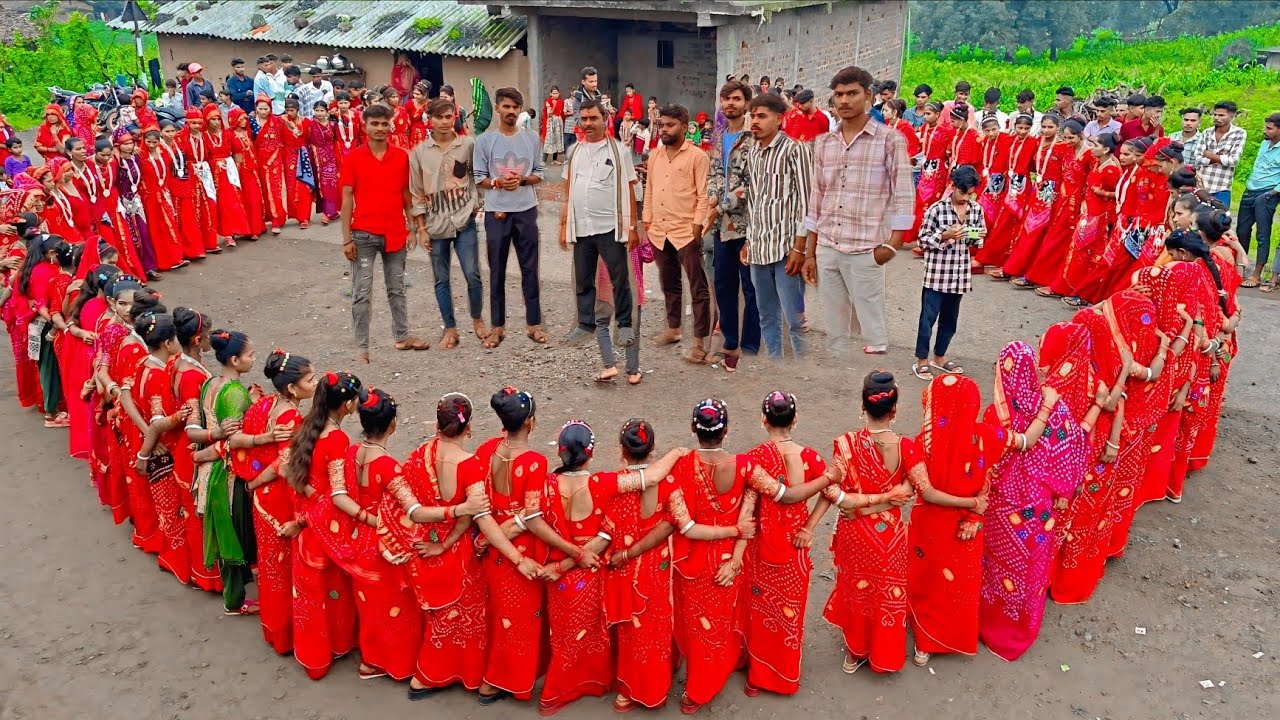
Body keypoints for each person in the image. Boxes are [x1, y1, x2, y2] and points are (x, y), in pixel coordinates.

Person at [525, 421, 686, 716]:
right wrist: (675, 453)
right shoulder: (601, 483)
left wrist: (561, 562)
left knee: (563, 638)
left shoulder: (546, 485)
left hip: (558, 577)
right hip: (589, 571)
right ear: (592, 452)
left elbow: (532, 520)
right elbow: (647, 481)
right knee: (600, 632)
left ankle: (556, 692)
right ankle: (604, 683)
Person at [979, 338, 1089, 662]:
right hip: (1041, 512)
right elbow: (1077, 449)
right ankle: (1021, 631)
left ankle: (990, 626)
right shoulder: (1058, 410)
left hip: (1002, 513)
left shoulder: (996, 416)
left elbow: (986, 461)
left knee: (997, 570)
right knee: (1031, 571)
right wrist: (1064, 493)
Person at [803, 66, 914, 357]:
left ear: (867, 96)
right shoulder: (825, 143)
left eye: (852, 93)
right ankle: (839, 372)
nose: (844, 101)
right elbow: (817, 197)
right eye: (839, 94)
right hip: (828, 243)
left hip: (866, 246)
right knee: (834, 323)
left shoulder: (889, 139)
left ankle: (874, 378)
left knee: (871, 322)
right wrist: (810, 252)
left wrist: (893, 245)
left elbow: (903, 193)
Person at [818, 371, 921, 673]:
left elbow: (833, 491)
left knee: (857, 590)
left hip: (855, 533)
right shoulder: (907, 447)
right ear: (895, 409)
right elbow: (916, 488)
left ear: (863, 406)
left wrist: (861, 507)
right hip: (890, 537)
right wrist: (890, 497)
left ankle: (854, 653)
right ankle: (885, 655)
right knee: (887, 591)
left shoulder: (846, 445)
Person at [662, 399, 755, 713]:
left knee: (694, 622)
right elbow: (751, 511)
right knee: (718, 622)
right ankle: (706, 681)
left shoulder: (680, 466)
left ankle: (693, 684)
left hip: (692, 561)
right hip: (729, 560)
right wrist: (736, 554)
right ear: (725, 431)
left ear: (693, 428)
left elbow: (685, 527)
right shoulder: (744, 466)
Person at [739, 391, 832, 695]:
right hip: (795, 549)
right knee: (789, 614)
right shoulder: (810, 458)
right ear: (796, 419)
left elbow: (747, 506)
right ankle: (783, 677)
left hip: (762, 548)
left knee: (760, 609)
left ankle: (757, 675)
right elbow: (831, 492)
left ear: (763, 420)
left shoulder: (755, 458)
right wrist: (808, 527)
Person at [907, 374, 1002, 666]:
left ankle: (925, 643)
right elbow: (1018, 443)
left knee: (930, 580)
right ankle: (955, 637)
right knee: (960, 583)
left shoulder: (922, 443)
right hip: (969, 526)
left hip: (931, 525)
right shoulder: (986, 436)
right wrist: (975, 507)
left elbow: (925, 491)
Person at [471, 386, 550, 704]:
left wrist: (489, 534)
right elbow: (531, 516)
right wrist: (510, 526)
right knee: (518, 618)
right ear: (530, 422)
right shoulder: (535, 462)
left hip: (491, 548)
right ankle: (501, 681)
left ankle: (490, 672)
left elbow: (478, 503)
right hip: (520, 549)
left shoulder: (486, 450)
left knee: (496, 611)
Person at [282, 370, 361, 679]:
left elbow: (292, 472)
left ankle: (312, 654)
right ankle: (333, 649)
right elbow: (337, 496)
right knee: (331, 592)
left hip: (304, 521)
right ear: (349, 406)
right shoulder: (337, 439)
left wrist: (306, 503)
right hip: (320, 528)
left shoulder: (305, 427)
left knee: (309, 596)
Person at [233, 346, 313, 653]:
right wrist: (256, 480)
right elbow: (282, 464)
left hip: (261, 501)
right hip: (279, 499)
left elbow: (240, 440)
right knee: (284, 567)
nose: (315, 384)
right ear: (292, 388)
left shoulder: (265, 404)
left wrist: (252, 482)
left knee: (269, 567)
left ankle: (273, 628)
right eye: (310, 380)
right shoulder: (290, 416)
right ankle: (286, 634)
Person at [341, 103, 427, 362]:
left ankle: (402, 337)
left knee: (397, 288)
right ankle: (362, 348)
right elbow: (347, 199)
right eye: (374, 124)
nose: (380, 128)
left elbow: (406, 194)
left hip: (395, 234)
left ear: (391, 125)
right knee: (362, 292)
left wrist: (412, 228)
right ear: (364, 126)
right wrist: (346, 238)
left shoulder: (402, 156)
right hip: (363, 235)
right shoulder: (353, 157)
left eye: (384, 124)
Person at [559, 98, 639, 366]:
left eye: (593, 118)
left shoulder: (619, 151)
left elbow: (629, 188)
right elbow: (568, 187)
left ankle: (625, 324)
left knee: (620, 278)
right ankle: (585, 323)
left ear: (605, 119)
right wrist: (563, 225)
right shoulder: (574, 152)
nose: (588, 123)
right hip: (582, 227)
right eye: (584, 119)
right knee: (583, 278)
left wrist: (632, 226)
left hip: (610, 227)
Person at [409, 97, 487, 349]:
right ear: (428, 120)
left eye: (448, 116)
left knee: (472, 274)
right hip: (435, 224)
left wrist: (478, 203)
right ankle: (450, 329)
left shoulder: (468, 145)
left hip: (465, 220)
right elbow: (416, 192)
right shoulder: (419, 153)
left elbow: (478, 176)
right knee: (441, 279)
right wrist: (421, 229)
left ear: (455, 117)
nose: (444, 122)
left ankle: (477, 319)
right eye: (439, 117)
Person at [474, 87, 546, 348]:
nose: (511, 111)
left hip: (526, 210)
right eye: (506, 106)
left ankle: (534, 325)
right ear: (497, 108)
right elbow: (478, 177)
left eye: (516, 107)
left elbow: (539, 172)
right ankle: (497, 327)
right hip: (497, 213)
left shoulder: (533, 139)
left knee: (530, 269)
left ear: (521, 110)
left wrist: (523, 180)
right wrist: (497, 182)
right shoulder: (484, 141)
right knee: (497, 271)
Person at [643, 103, 714, 364]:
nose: (664, 129)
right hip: (660, 230)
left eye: (670, 125)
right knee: (668, 283)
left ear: (685, 127)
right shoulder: (655, 156)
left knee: (698, 288)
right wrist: (647, 221)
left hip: (687, 231)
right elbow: (649, 190)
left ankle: (699, 343)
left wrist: (698, 226)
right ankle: (673, 330)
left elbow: (704, 195)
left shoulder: (698, 157)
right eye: (662, 125)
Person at [742, 91, 811, 359]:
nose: (754, 122)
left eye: (761, 116)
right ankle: (775, 365)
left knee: (794, 319)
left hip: (786, 249)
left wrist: (800, 247)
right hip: (759, 246)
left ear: (779, 118)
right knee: (766, 315)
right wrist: (749, 240)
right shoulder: (754, 154)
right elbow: (754, 200)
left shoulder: (796, 150)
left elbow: (808, 201)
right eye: (753, 116)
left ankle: (803, 369)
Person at [706, 79, 761, 371]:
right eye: (725, 99)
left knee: (751, 287)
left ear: (746, 103)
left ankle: (750, 345)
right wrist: (713, 197)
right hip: (722, 227)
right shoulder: (719, 137)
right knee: (724, 285)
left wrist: (722, 203)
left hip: (750, 226)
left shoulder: (755, 138)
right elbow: (713, 173)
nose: (730, 104)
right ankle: (730, 342)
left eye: (736, 99)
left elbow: (756, 183)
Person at [913, 165, 985, 380]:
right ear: (953, 187)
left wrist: (973, 236)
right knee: (927, 319)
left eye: (970, 193)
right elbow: (922, 240)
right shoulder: (937, 209)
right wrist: (945, 236)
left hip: (959, 274)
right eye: (963, 192)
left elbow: (978, 239)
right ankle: (922, 360)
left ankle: (940, 357)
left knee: (950, 320)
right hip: (936, 275)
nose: (966, 198)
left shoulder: (976, 209)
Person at [1051, 132, 1123, 304]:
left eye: (1096, 146)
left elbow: (1120, 195)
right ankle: (1070, 287)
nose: (1092, 149)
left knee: (1089, 253)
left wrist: (1102, 193)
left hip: (1099, 216)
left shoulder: (1111, 169)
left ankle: (1083, 293)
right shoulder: (1099, 164)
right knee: (1078, 251)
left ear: (1106, 149)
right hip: (1088, 213)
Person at [1031, 119, 1094, 292]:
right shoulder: (1065, 148)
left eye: (1071, 137)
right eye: (1065, 137)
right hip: (1061, 200)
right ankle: (1042, 276)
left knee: (1065, 241)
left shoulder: (1090, 154)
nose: (1068, 141)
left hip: (1078, 203)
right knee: (1054, 237)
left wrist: (1085, 203)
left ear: (1081, 135)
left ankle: (1060, 284)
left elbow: (1093, 180)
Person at [1002, 115, 1066, 286]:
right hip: (1038, 190)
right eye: (1043, 126)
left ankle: (1035, 274)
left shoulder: (1062, 147)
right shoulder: (1037, 142)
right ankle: (1017, 268)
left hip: (1052, 194)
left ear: (1058, 128)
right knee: (1029, 229)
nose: (1046, 130)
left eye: (1050, 127)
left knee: (1041, 232)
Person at [1236, 112, 1280, 289]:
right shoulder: (1264, 143)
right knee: (1241, 232)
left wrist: (1271, 193)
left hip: (1267, 194)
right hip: (1251, 189)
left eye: (1269, 128)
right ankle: (1239, 271)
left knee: (1262, 234)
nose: (1265, 130)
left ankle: (1256, 275)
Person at [1191, 101, 1246, 207]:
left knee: (1219, 220)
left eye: (1221, 115)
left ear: (1232, 116)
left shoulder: (1239, 133)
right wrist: (1221, 158)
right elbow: (1197, 158)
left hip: (1222, 186)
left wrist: (1210, 155)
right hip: (1201, 185)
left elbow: (1233, 160)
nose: (1216, 118)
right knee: (1198, 219)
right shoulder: (1207, 132)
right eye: (1215, 114)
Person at [227, 107, 267, 238]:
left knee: (255, 199)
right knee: (244, 200)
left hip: (252, 169)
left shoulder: (247, 132)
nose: (245, 121)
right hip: (239, 171)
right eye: (241, 119)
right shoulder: (229, 134)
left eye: (245, 118)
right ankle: (247, 229)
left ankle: (257, 226)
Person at [306, 102, 341, 224]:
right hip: (317, 159)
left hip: (331, 158)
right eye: (317, 111)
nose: (319, 113)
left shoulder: (333, 125)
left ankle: (330, 212)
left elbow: (337, 141)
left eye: (322, 111)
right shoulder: (310, 125)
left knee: (331, 184)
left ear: (327, 112)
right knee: (321, 185)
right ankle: (328, 212)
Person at [566, 67, 601, 151]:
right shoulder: (579, 97)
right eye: (591, 81)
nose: (594, 84)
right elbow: (577, 119)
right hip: (584, 133)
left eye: (595, 81)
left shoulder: (598, 95)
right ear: (583, 82)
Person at [541, 86, 566, 164]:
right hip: (551, 122)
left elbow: (562, 112)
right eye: (553, 93)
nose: (555, 95)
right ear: (550, 93)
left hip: (558, 122)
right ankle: (543, 160)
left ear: (559, 93)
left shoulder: (561, 101)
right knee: (549, 139)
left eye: (556, 93)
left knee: (557, 139)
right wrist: (554, 105)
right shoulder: (548, 101)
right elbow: (550, 114)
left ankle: (554, 159)